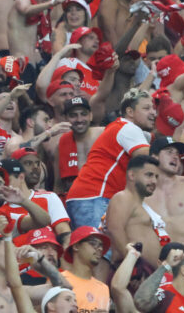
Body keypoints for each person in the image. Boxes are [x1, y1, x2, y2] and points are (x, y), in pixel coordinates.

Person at [65, 88, 155, 229]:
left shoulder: (120, 127)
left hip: (87, 197)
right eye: (146, 108)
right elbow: (149, 162)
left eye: (153, 108)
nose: (153, 113)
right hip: (94, 197)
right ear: (130, 112)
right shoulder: (128, 128)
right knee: (100, 248)